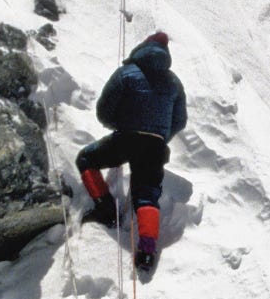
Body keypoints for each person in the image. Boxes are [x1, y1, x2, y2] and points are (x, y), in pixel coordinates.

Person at [76, 31, 187, 270]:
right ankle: (146, 253)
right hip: (155, 145)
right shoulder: (174, 82)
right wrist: (159, 134)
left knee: (87, 159)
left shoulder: (127, 73)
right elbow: (179, 120)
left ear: (142, 48)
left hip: (125, 138)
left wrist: (120, 126)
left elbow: (104, 109)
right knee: (147, 194)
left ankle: (105, 209)